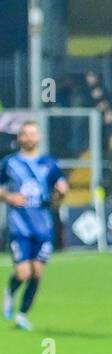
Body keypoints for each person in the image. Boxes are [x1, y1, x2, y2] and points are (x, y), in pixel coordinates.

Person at [2, 121, 68, 330]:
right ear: (20, 138)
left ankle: (22, 315)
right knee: (24, 273)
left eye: (32, 134)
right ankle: (10, 291)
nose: (29, 138)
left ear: (38, 138)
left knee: (37, 273)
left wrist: (61, 193)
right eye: (25, 134)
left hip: (43, 227)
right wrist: (9, 197)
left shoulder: (49, 163)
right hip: (20, 227)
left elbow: (60, 189)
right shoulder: (10, 163)